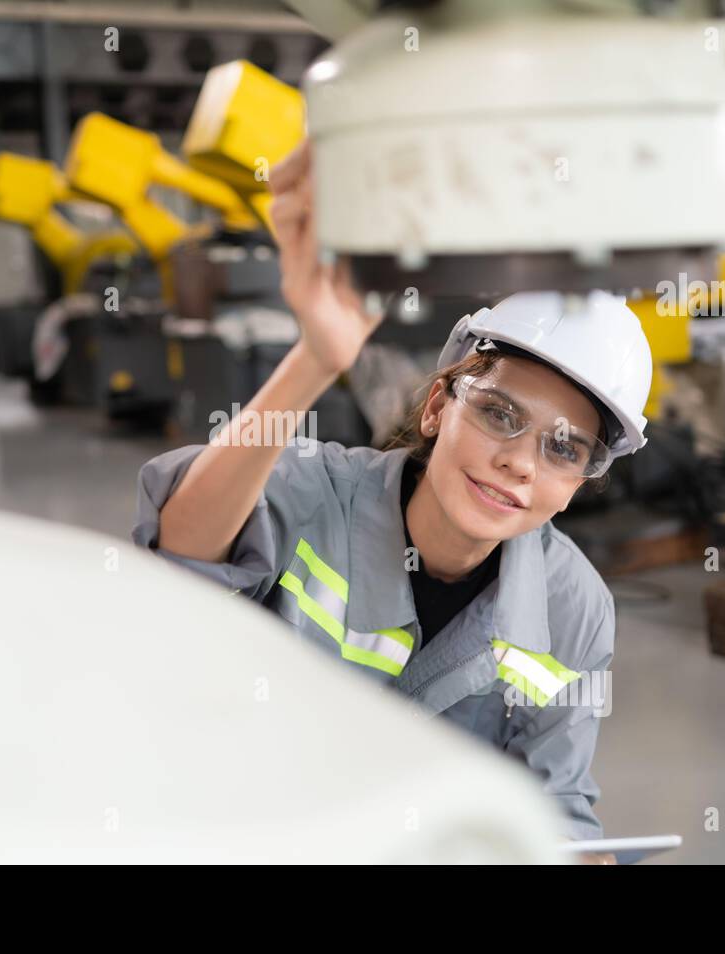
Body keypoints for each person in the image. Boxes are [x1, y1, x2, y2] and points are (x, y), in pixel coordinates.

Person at [131, 142, 653, 861]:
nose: (518, 463)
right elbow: (181, 553)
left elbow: (558, 798)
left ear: (580, 483)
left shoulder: (575, 609)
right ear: (439, 405)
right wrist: (316, 360)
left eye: (563, 449)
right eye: (499, 414)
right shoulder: (315, 494)